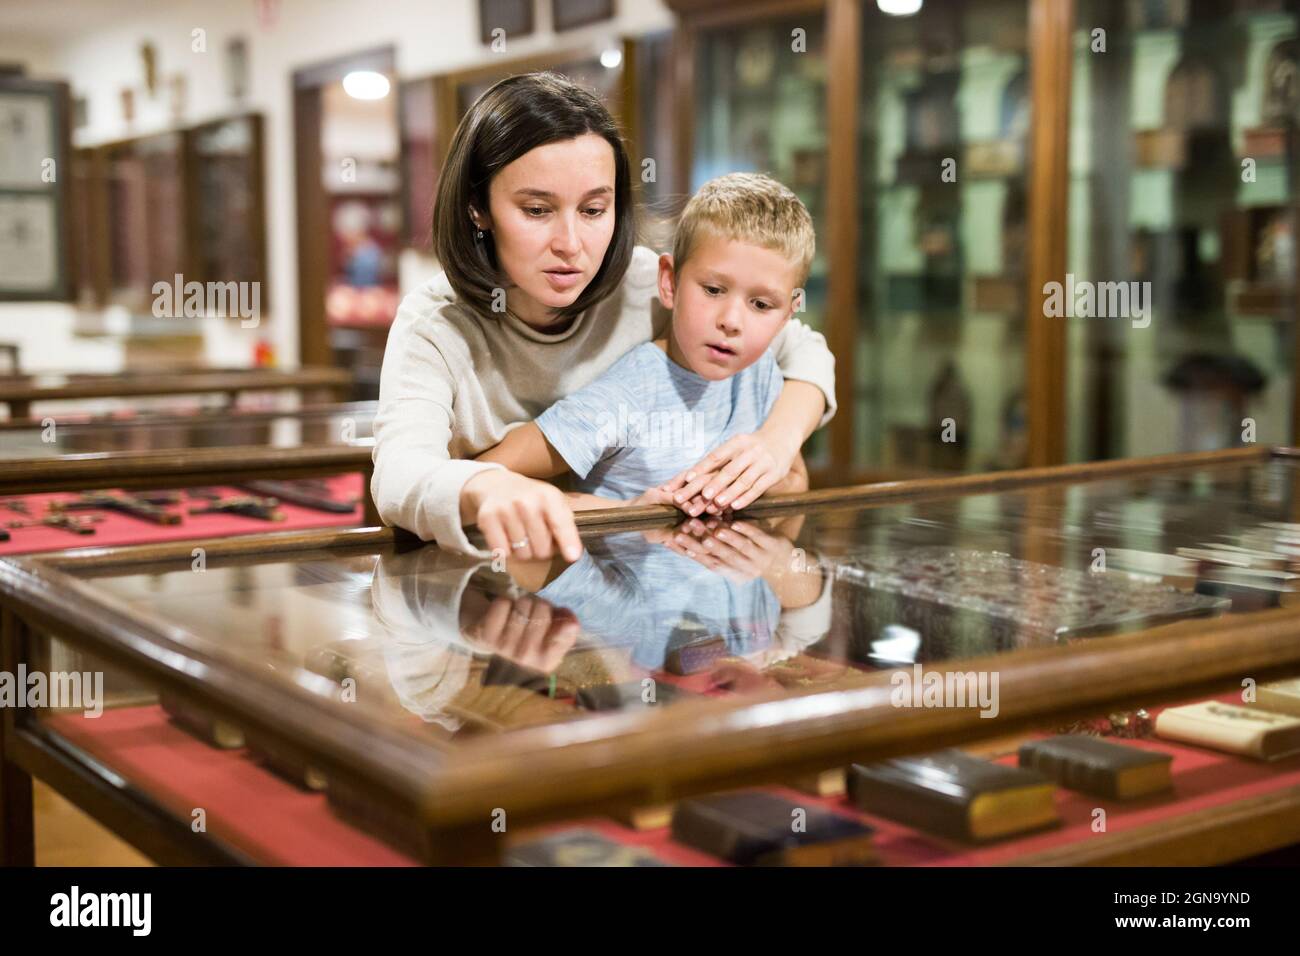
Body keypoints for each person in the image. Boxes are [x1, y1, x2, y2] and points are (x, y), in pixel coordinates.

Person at [371, 73, 836, 563]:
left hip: (615, 571)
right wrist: (488, 486)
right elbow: (399, 476)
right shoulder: (436, 326)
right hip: (481, 575)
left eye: (594, 209)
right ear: (477, 207)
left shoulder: (643, 284)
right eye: (536, 210)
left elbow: (802, 348)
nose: (570, 244)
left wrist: (776, 443)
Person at [475, 172, 812, 510]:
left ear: (788, 313)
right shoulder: (629, 391)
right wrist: (626, 511)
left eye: (761, 305)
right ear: (669, 282)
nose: (731, 321)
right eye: (712, 290)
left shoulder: (762, 375)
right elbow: (483, 477)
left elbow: (796, 479)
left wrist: (738, 485)